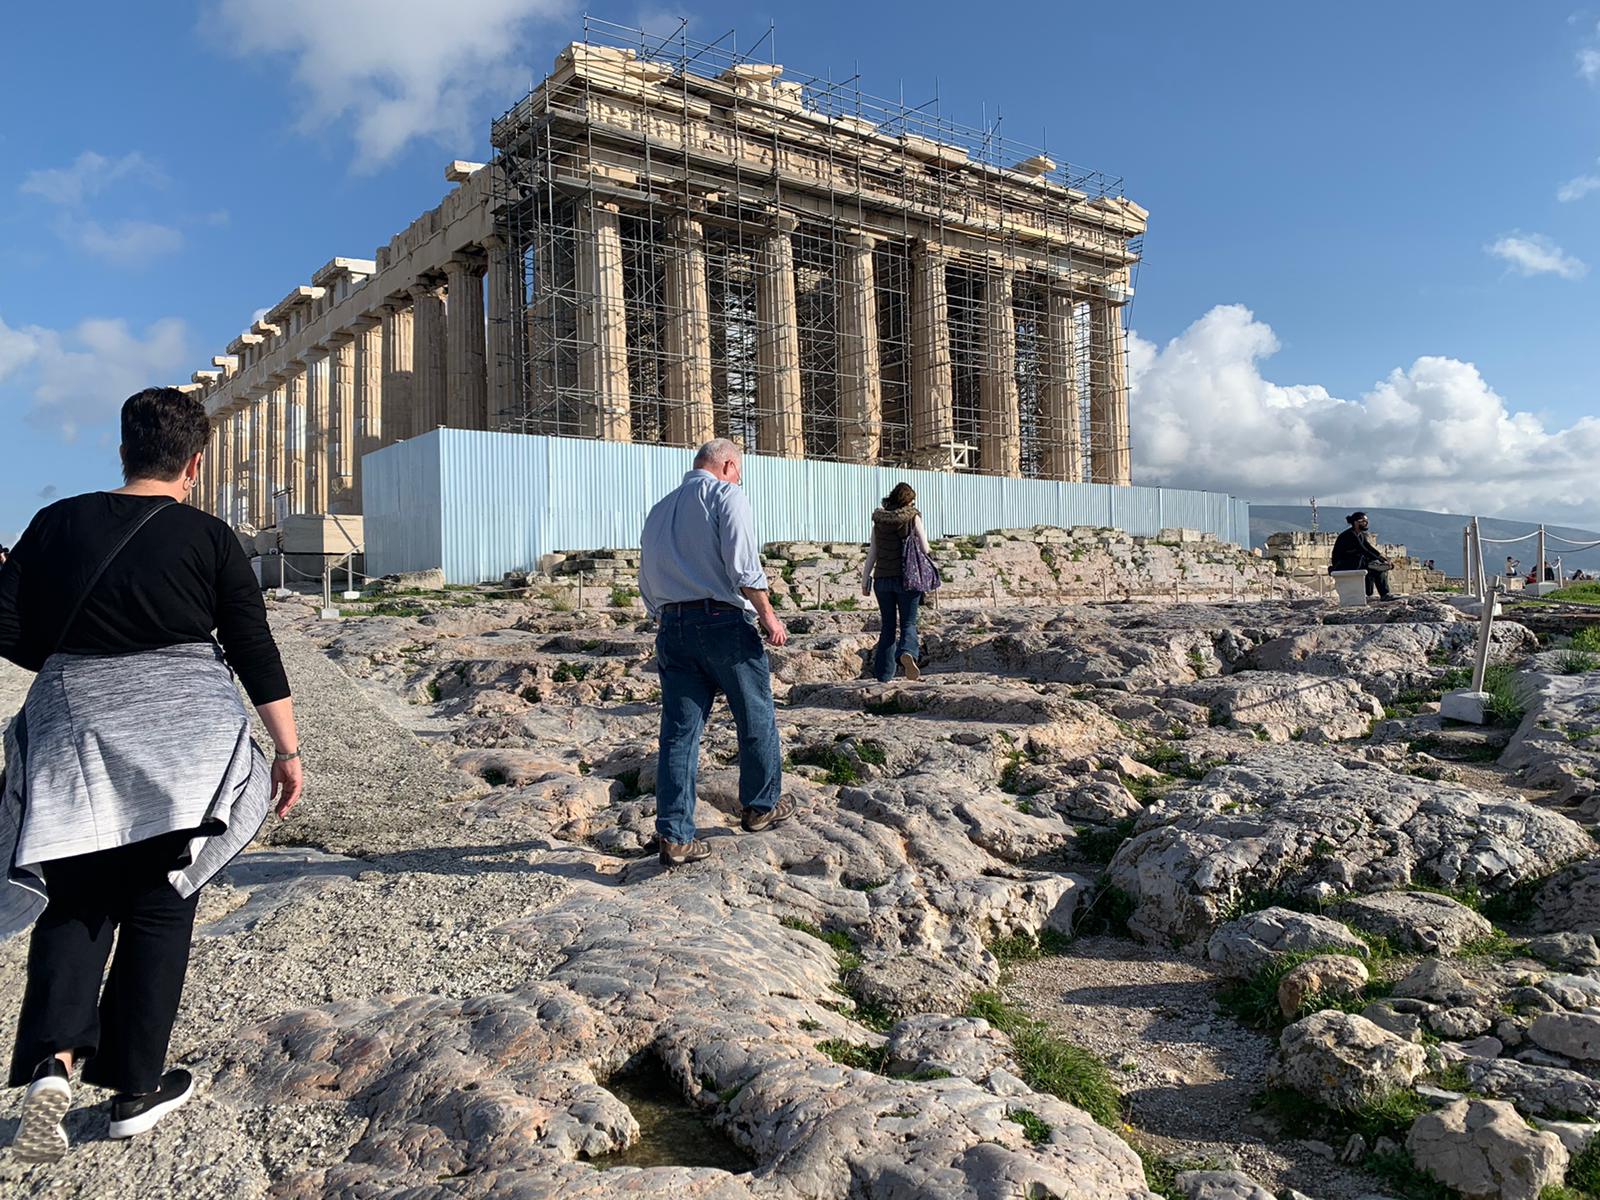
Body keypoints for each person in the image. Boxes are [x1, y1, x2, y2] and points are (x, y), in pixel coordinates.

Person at [0, 387, 303, 1163]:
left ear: (124, 450)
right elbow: (251, 645)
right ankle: (136, 1090)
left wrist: (75, 661)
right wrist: (289, 753)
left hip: (76, 727)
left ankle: (53, 1063)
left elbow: (8, 627)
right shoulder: (208, 536)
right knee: (163, 898)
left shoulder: (54, 521)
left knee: (76, 895)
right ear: (194, 463)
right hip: (187, 743)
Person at [638, 438, 794, 868]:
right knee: (755, 714)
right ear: (727, 465)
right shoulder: (727, 495)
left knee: (678, 734)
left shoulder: (659, 509)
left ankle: (675, 836)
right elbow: (744, 565)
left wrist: (666, 615)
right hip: (723, 622)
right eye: (739, 470)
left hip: (672, 626)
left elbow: (646, 580)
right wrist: (769, 617)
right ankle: (761, 807)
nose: (740, 478)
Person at [860, 482, 932, 683]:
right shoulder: (912, 517)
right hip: (907, 578)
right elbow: (925, 548)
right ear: (907, 501)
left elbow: (872, 552)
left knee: (888, 626)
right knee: (908, 622)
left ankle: (884, 675)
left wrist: (865, 580)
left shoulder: (879, 521)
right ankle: (908, 652)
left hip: (882, 580)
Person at [1329, 511, 1396, 600]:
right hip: (1343, 564)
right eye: (1364, 521)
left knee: (1379, 571)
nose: (1366, 523)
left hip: (1357, 563)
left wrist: (1382, 558)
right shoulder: (1350, 535)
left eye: (1366, 521)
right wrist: (1379, 560)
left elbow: (1369, 547)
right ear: (1356, 522)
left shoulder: (1361, 535)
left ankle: (1385, 594)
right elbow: (1363, 550)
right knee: (1361, 555)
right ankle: (1373, 564)